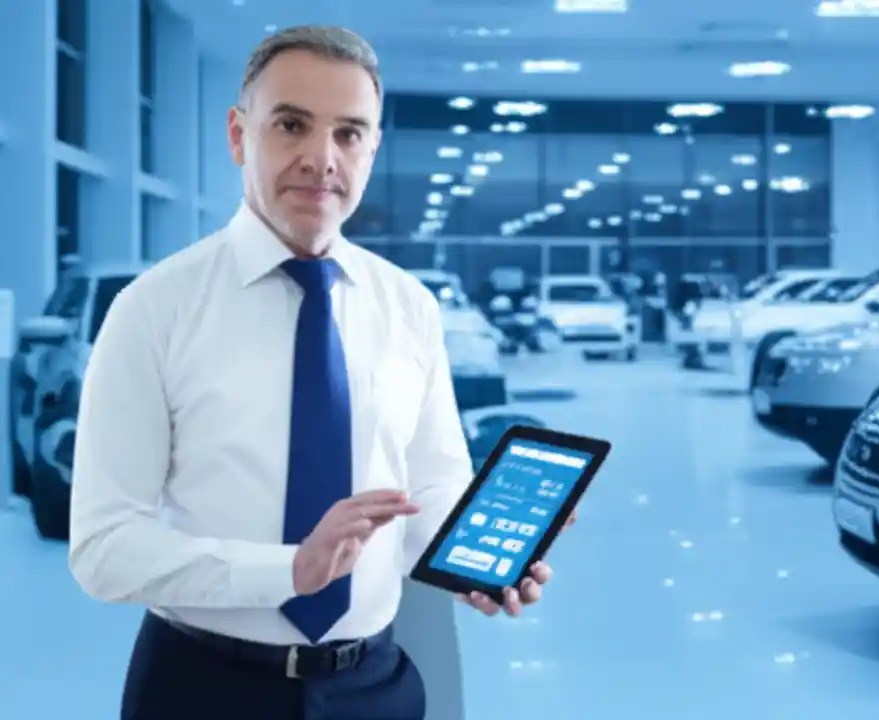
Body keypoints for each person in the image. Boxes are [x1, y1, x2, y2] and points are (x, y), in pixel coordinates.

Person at [66, 25, 563, 720]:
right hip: (203, 688)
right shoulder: (153, 310)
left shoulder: (408, 307)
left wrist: (475, 563)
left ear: (372, 148)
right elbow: (104, 548)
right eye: (291, 125)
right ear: (240, 136)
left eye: (349, 133)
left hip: (375, 686)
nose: (321, 159)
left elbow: (429, 485)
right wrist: (290, 571)